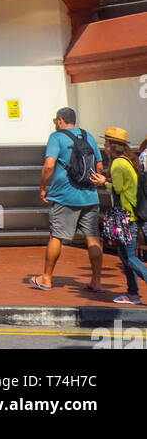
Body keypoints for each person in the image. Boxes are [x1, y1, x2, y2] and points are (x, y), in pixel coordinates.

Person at [31, 107, 103, 293]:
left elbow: (49, 166)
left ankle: (46, 278)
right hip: (89, 195)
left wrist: (42, 187)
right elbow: (99, 166)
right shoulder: (89, 136)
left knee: (57, 236)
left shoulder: (56, 137)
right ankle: (96, 281)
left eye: (57, 120)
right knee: (93, 239)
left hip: (65, 196)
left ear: (60, 120)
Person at [94, 128, 147, 305]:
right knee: (125, 257)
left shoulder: (118, 164)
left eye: (107, 142)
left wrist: (103, 182)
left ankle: (133, 292)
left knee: (130, 257)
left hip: (125, 217)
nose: (105, 145)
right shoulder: (128, 161)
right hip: (131, 216)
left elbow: (116, 189)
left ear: (112, 145)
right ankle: (132, 293)